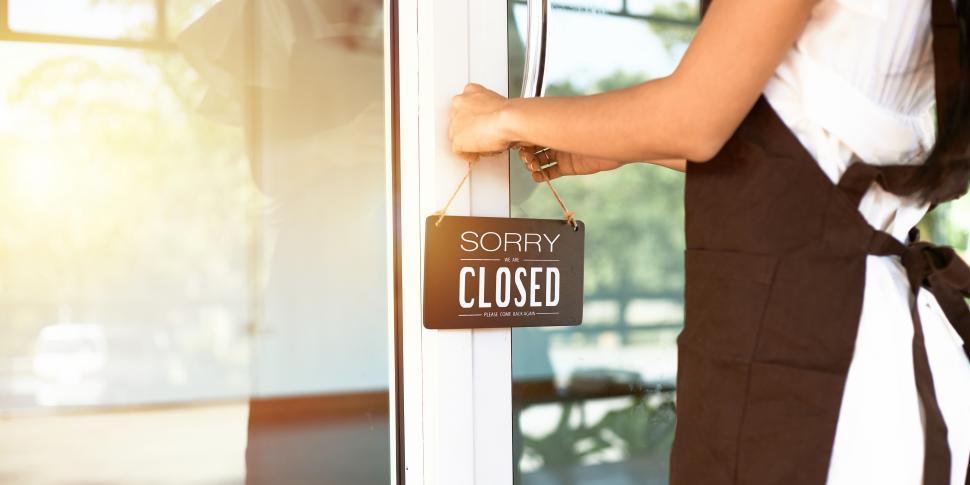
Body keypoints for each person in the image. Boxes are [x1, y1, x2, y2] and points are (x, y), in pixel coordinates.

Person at [448, 0, 970, 484]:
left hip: (803, 362)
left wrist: (499, 117)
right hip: (873, 352)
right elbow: (789, 155)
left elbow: (696, 117)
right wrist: (622, 145)